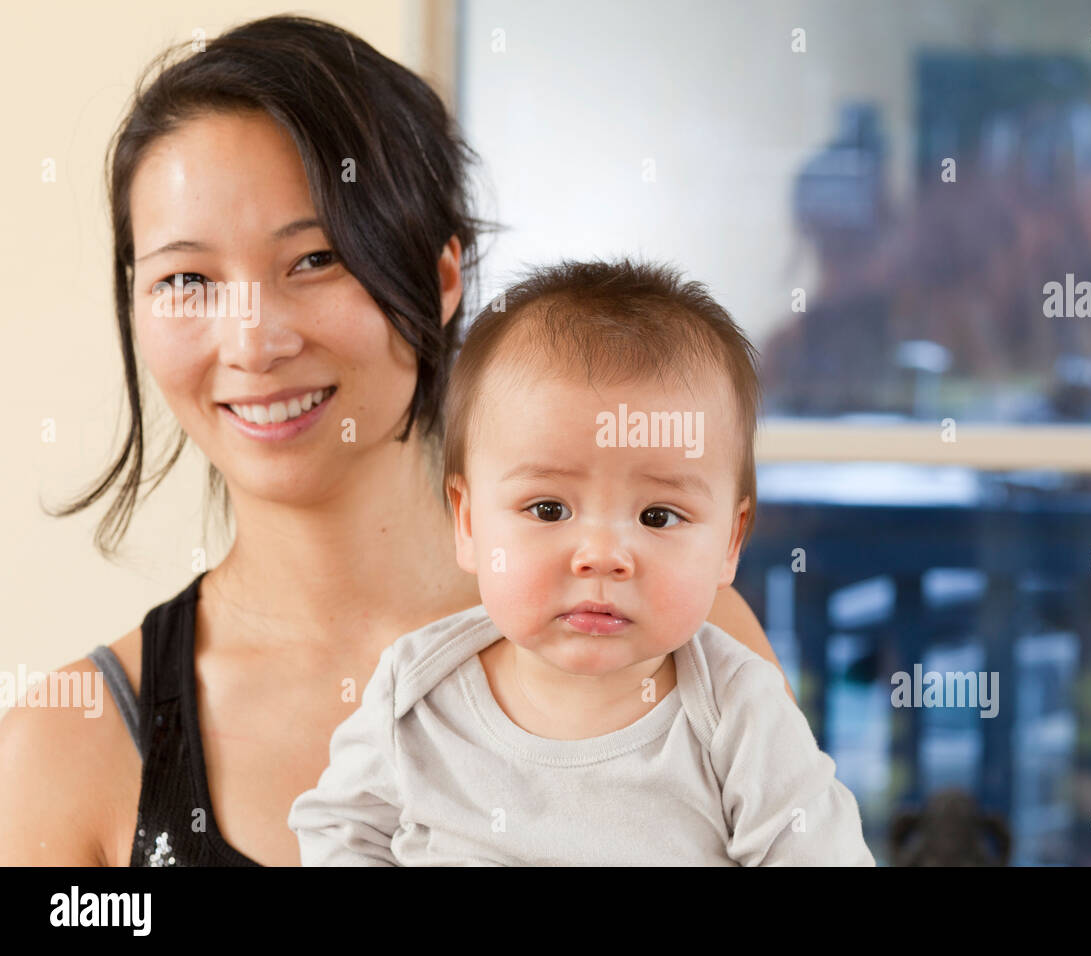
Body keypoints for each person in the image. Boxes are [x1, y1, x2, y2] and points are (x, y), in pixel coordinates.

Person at [0, 16, 789, 867]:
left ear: (441, 277)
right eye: (186, 279)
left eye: (314, 260)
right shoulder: (70, 741)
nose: (253, 343)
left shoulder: (684, 641)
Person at [288, 260, 874, 866]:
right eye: (548, 508)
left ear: (731, 540)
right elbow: (339, 828)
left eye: (657, 517)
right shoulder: (413, 694)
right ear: (467, 522)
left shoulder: (739, 715)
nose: (601, 556)